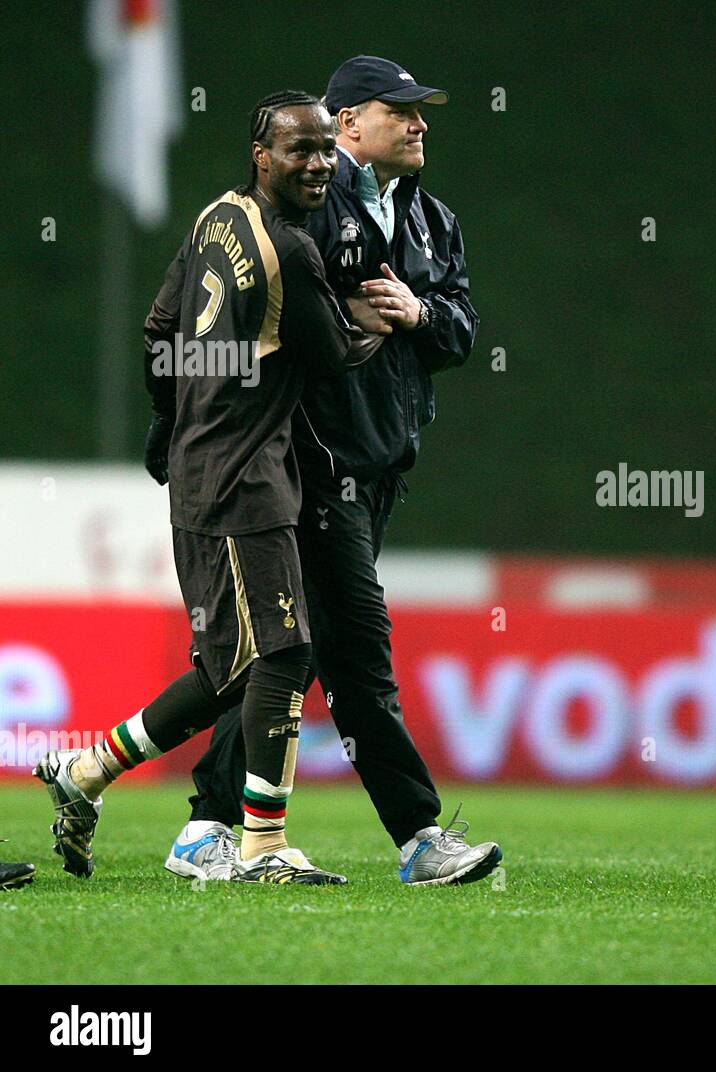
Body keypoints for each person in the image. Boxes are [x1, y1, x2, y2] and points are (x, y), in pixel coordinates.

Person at [169, 57, 499, 888]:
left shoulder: (435, 221)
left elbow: (461, 328)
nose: (421, 125)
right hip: (310, 465)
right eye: (403, 111)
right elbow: (238, 319)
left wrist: (420, 312)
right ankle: (419, 836)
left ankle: (195, 817)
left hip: (382, 463)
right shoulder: (308, 207)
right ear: (348, 123)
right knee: (353, 655)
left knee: (278, 655)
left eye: (424, 113)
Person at [35, 90, 376, 885]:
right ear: (262, 155)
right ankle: (261, 845)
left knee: (230, 667)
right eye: (302, 149)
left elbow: (160, 332)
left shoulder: (214, 218)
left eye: (327, 147)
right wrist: (386, 320)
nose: (320, 162)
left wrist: (170, 421)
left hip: (206, 468)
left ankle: (85, 769)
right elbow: (333, 355)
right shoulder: (290, 249)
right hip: (243, 481)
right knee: (287, 652)